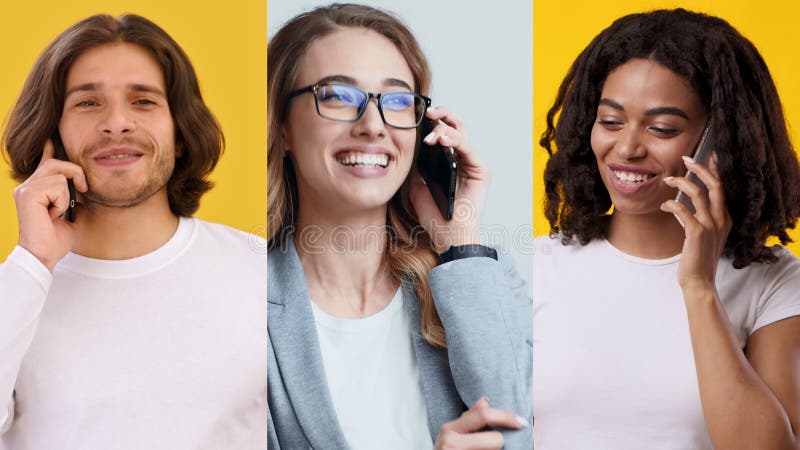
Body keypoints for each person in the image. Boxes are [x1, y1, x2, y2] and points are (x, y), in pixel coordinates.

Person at [267, 3, 532, 449]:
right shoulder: (241, 303)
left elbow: (521, 436)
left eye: (397, 101)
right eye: (337, 96)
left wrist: (460, 242)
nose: (373, 126)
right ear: (283, 128)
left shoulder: (483, 279)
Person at [534, 8, 800, 450]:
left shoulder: (774, 282)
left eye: (662, 128)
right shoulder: (539, 265)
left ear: (720, 141)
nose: (627, 148)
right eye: (610, 121)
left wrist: (699, 287)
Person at [0, 14, 266, 449]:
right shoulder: (17, 290)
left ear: (180, 133)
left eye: (143, 101)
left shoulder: (263, 273)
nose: (117, 122)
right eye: (88, 103)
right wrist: (33, 262)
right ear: (53, 135)